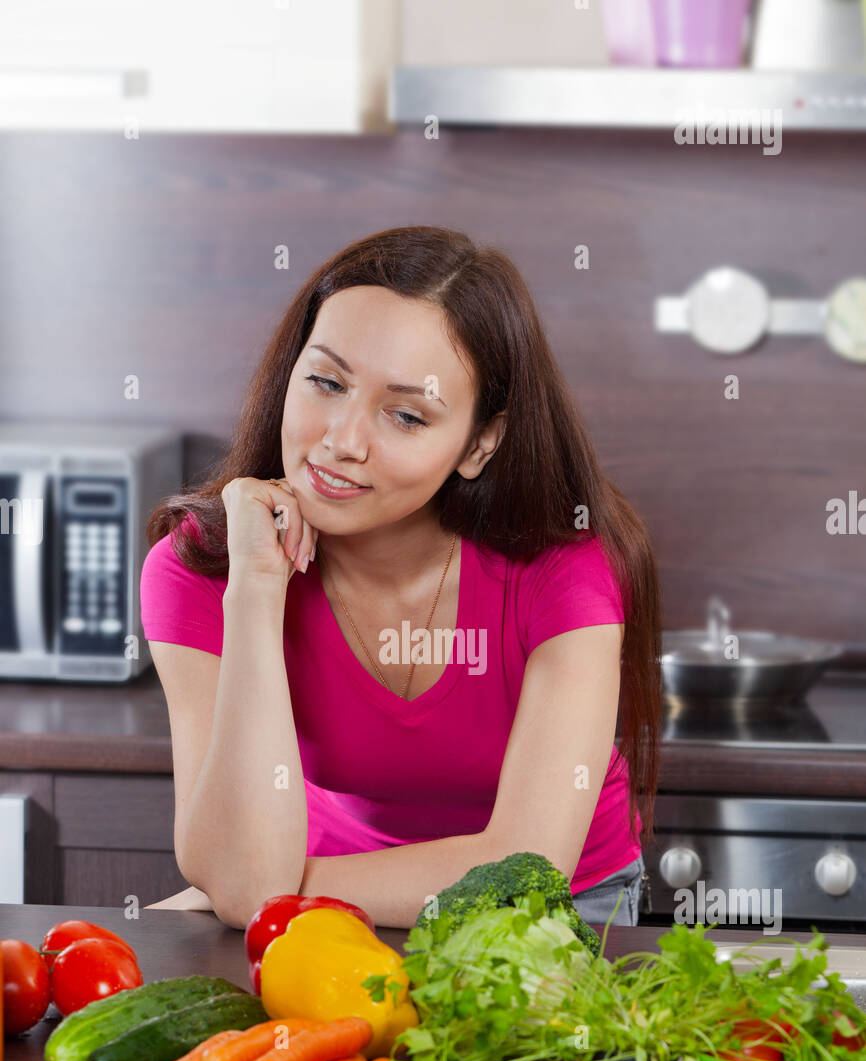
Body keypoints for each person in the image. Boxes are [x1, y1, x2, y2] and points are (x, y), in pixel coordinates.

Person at [140, 225, 661, 931]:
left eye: (407, 415)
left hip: (555, 907)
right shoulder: (202, 569)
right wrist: (258, 589)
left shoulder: (562, 569)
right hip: (309, 904)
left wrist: (266, 888)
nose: (342, 441)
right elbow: (240, 875)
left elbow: (526, 866)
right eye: (325, 381)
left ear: (480, 443)